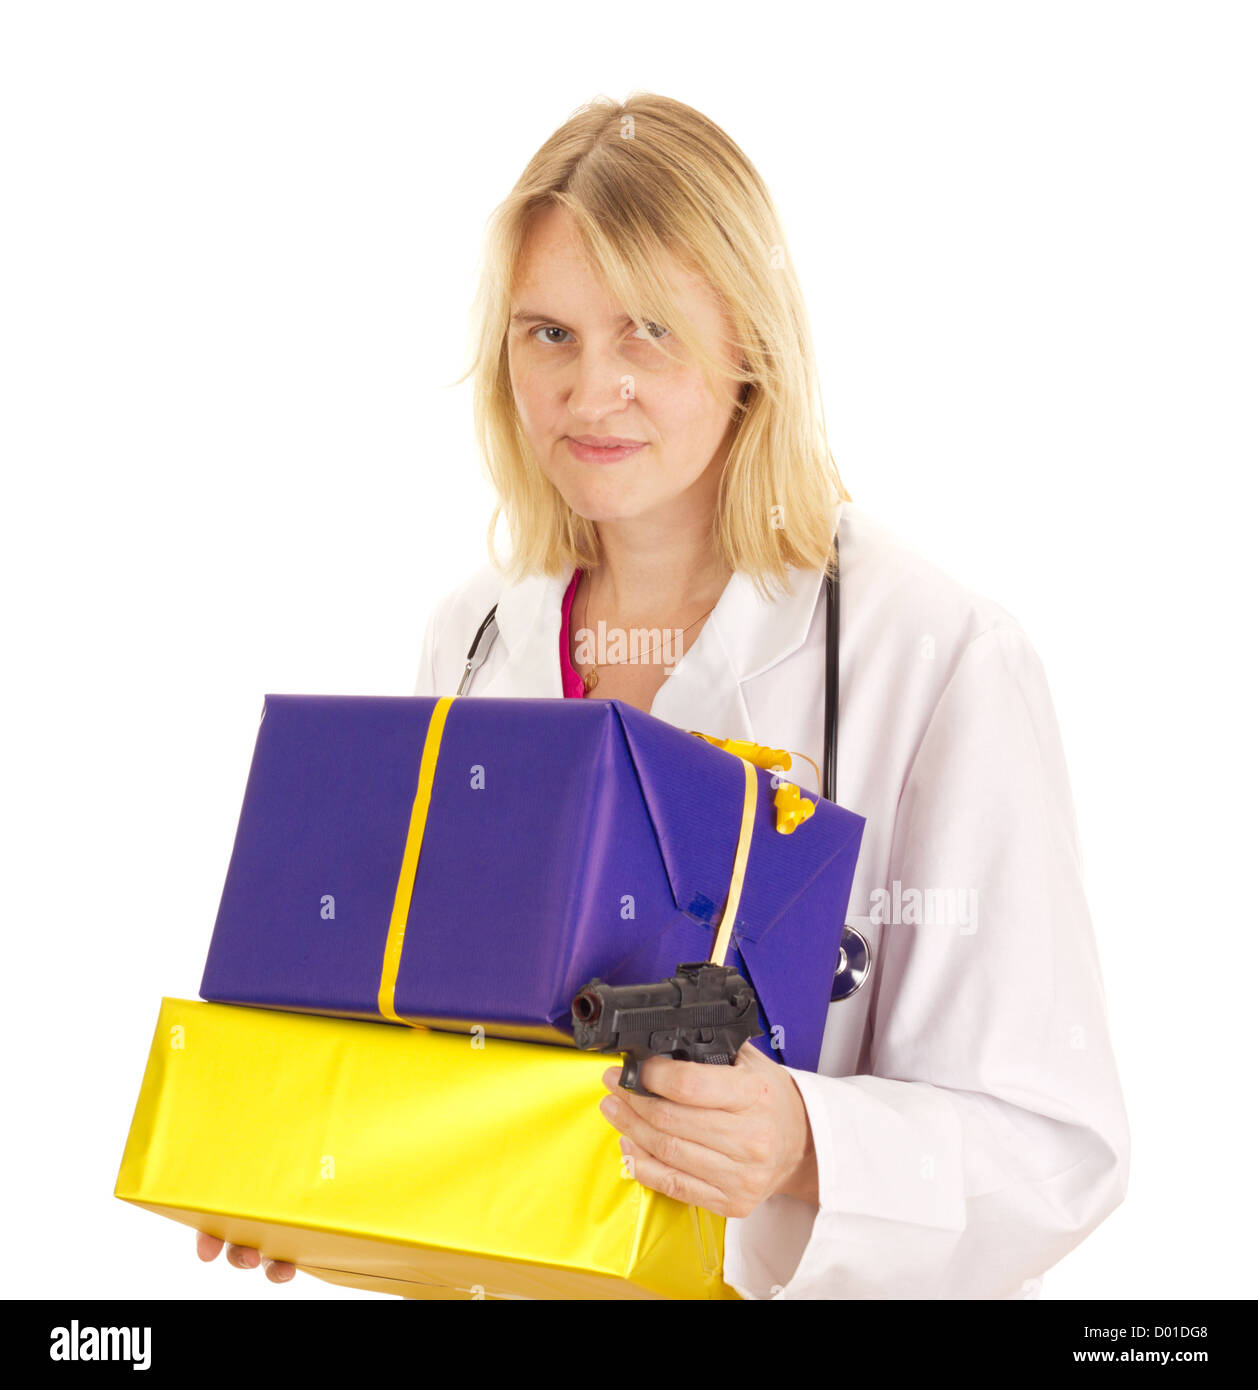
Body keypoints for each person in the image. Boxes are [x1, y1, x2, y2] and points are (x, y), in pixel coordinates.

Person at [199, 91, 1129, 1299]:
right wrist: (306, 1169)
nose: (591, 394)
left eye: (646, 331)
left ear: (748, 344)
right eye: (549, 335)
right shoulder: (476, 637)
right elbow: (451, 1054)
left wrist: (804, 1142)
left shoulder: (936, 655)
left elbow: (1056, 1150)